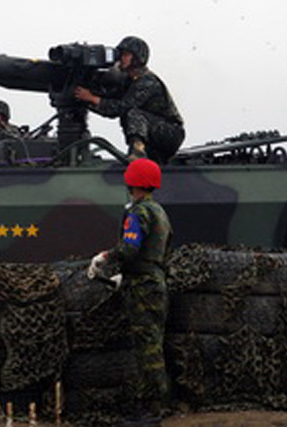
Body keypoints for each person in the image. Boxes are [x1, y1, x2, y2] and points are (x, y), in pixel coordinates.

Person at [89, 158, 171, 424]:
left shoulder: (138, 213)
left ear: (132, 182)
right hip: (154, 281)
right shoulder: (158, 211)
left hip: (142, 287)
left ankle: (152, 412)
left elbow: (130, 248)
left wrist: (105, 257)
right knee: (153, 343)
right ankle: (153, 407)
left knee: (147, 348)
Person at [73, 36, 184, 163]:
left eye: (126, 55)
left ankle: (137, 152)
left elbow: (122, 107)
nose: (121, 59)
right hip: (154, 136)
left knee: (133, 113)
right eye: (121, 54)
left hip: (170, 134)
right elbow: (110, 107)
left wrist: (92, 98)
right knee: (130, 114)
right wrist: (85, 99)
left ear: (137, 58)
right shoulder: (128, 81)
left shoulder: (147, 81)